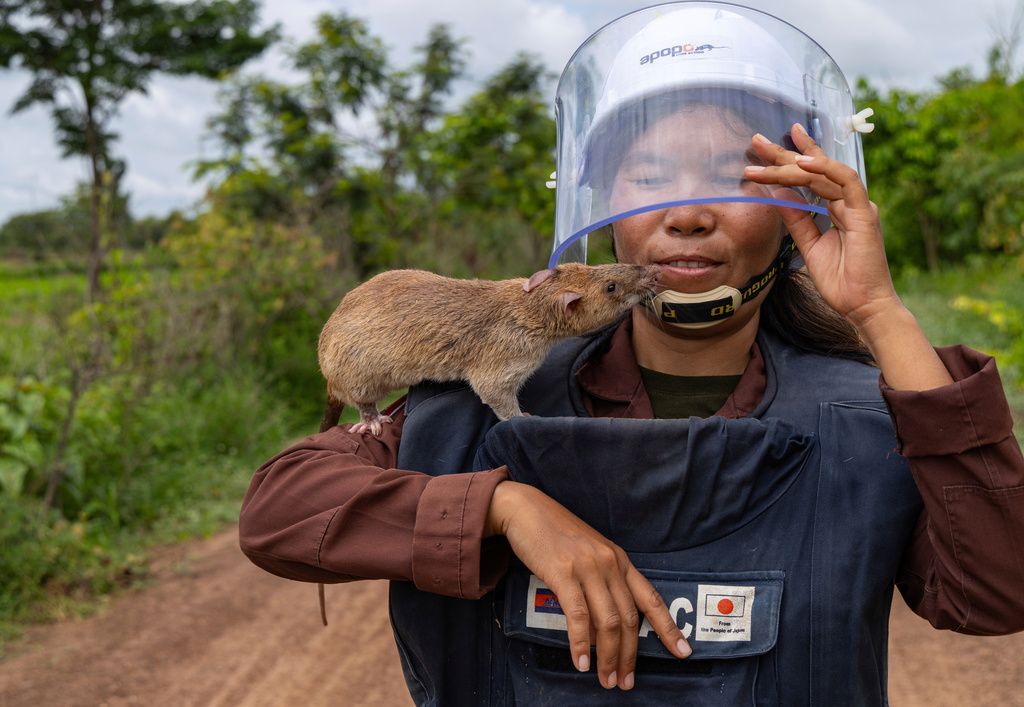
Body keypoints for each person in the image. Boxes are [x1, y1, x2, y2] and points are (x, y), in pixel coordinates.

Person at [239, 3, 1024, 704]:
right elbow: (279, 510)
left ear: (798, 200)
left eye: (733, 175)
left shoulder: (867, 416)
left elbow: (998, 590)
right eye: (649, 176)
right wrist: (502, 508)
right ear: (604, 204)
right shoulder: (481, 393)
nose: (686, 213)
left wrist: (879, 312)